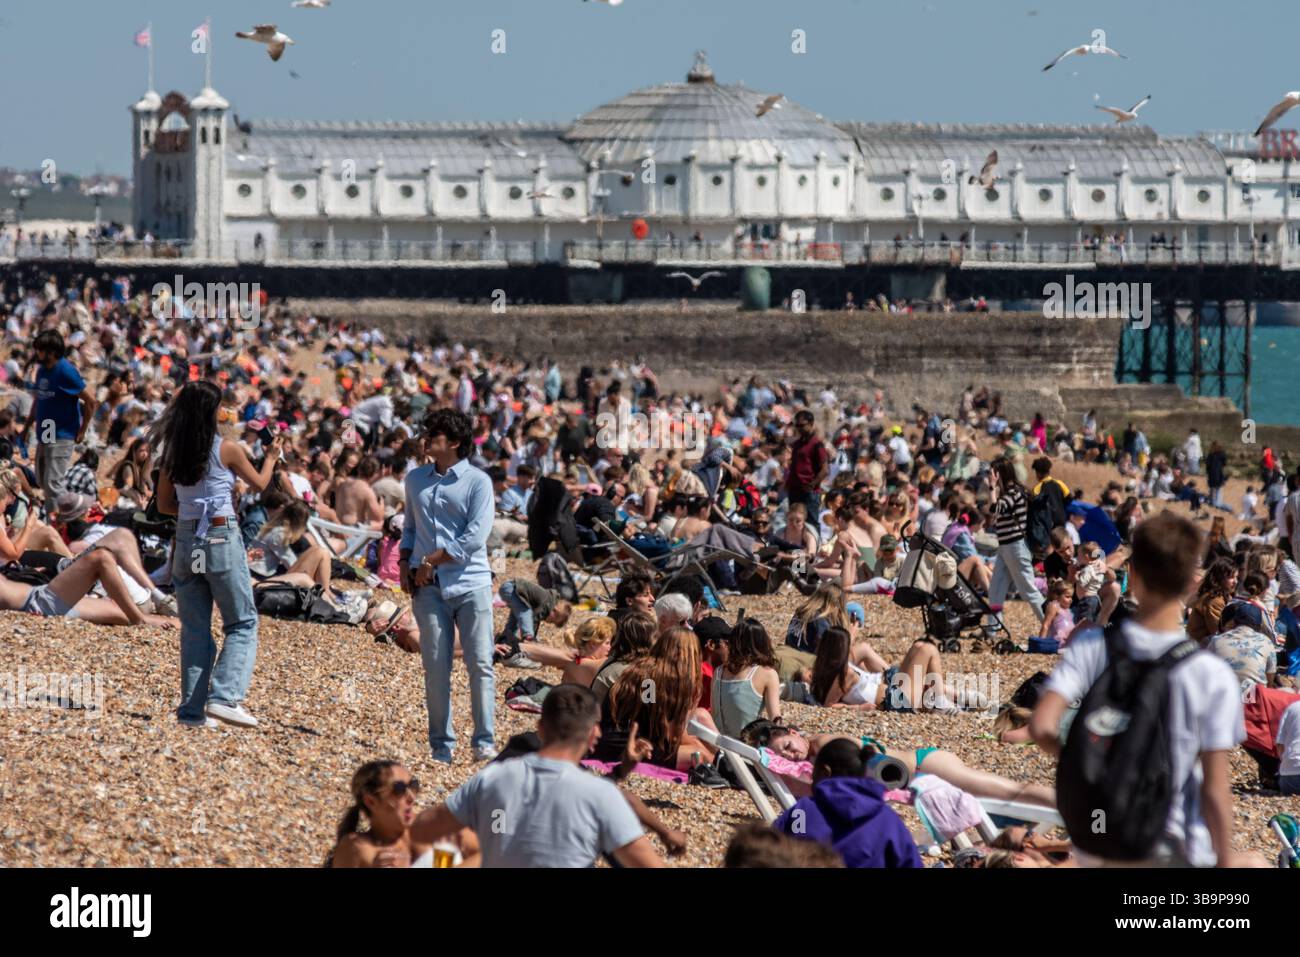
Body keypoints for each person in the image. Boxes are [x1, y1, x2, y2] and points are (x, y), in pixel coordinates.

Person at [1029, 511, 1249, 867]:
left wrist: (1095, 765)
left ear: (1135, 574)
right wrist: (1223, 859)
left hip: (1098, 835)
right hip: (1170, 839)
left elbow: (1042, 727)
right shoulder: (1209, 672)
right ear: (1190, 583)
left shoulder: (1092, 646)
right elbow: (1215, 789)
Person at [409, 684, 663, 867]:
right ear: (593, 733)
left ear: (540, 727)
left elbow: (421, 829)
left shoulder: (494, 778)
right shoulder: (601, 795)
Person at [154, 381, 280, 729]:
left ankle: (192, 712)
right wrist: (271, 458)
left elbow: (165, 504)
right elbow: (258, 484)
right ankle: (224, 698)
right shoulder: (226, 448)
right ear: (212, 412)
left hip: (187, 538)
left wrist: (193, 508)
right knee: (241, 621)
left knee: (195, 627)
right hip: (220, 535)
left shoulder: (171, 451)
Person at [400, 408, 498, 763]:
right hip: (427, 588)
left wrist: (429, 561)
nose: (426, 440)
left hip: (470, 584)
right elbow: (409, 526)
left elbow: (475, 537)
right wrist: (404, 562)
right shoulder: (415, 480)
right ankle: (441, 746)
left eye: (434, 435)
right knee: (435, 667)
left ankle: (484, 742)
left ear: (454, 442)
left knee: (480, 663)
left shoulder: (478, 482)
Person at [773, 738, 923, 868]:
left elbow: (768, 852)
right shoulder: (888, 819)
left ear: (825, 772)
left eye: (814, 775)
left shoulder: (802, 812)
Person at [25, 329, 94, 507]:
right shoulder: (42, 371)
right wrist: (26, 427)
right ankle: (62, 512)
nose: (37, 353)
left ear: (52, 352)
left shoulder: (65, 371)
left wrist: (82, 430)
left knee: (53, 483)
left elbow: (90, 401)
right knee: (42, 480)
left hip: (63, 432)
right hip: (47, 431)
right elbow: (38, 401)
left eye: (41, 350)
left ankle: (60, 525)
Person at [328, 761, 431, 868]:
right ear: (371, 802)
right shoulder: (356, 848)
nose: (411, 798)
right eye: (399, 789)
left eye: (413, 785)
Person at [986, 458, 1045, 630]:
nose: (990, 476)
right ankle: (993, 628)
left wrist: (991, 487)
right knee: (995, 589)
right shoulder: (1010, 491)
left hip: (1015, 547)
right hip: (1006, 548)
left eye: (992, 473)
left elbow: (995, 509)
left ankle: (1052, 626)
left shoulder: (1013, 492)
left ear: (999, 474)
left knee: (1029, 591)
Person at [711, 617, 781, 736]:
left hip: (716, 743)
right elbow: (775, 717)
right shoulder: (767, 674)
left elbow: (714, 713)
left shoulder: (718, 672)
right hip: (745, 747)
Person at [494, 577, 573, 668]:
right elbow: (533, 620)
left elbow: (535, 622)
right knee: (525, 613)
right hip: (511, 589)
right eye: (551, 621)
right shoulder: (545, 601)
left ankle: (502, 646)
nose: (548, 622)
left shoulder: (546, 603)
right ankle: (526, 641)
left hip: (516, 595)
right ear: (554, 610)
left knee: (513, 626)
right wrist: (531, 640)